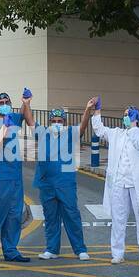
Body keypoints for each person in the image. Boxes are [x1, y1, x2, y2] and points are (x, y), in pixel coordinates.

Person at [87, 97, 139, 265]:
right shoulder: (116, 133)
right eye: (125, 114)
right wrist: (96, 112)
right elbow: (99, 130)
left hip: (138, 184)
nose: (127, 117)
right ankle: (117, 253)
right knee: (118, 219)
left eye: (130, 114)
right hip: (118, 183)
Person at [0, 87, 35, 263]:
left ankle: (11, 250)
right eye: (1, 103)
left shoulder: (13, 117)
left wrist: (26, 103)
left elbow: (28, 119)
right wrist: (5, 127)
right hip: (0, 177)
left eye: (7, 103)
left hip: (15, 176)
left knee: (14, 215)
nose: (5, 105)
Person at [34, 108, 88, 260]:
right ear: (49, 122)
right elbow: (30, 120)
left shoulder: (70, 133)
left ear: (64, 123)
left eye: (60, 121)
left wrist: (87, 109)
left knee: (72, 215)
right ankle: (52, 249)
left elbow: (83, 125)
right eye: (53, 121)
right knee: (50, 217)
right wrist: (26, 103)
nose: (56, 124)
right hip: (47, 184)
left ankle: (80, 249)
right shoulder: (43, 133)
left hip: (66, 183)